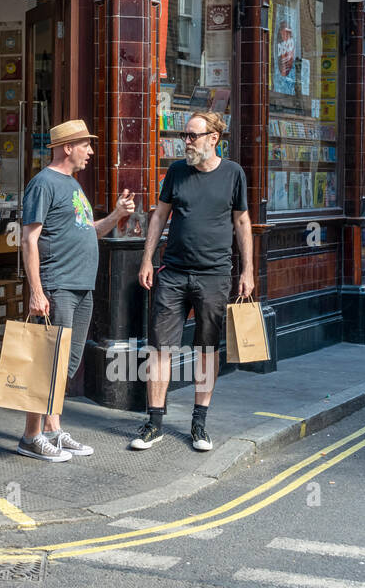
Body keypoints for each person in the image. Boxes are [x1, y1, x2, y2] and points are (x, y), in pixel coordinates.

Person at [133, 111, 253, 453]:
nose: (186, 141)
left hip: (215, 274)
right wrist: (147, 259)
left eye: (192, 136)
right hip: (172, 273)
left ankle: (199, 423)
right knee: (159, 347)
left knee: (206, 349)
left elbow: (243, 223)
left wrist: (247, 271)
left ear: (213, 139)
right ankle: (154, 423)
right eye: (185, 135)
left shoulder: (233, 174)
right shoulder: (176, 172)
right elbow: (159, 216)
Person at [18, 119, 136, 463]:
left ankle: (53, 430)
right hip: (59, 285)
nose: (91, 151)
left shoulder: (72, 185)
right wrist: (37, 291)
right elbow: (29, 239)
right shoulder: (43, 184)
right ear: (67, 147)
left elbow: (90, 231)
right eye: (85, 145)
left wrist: (115, 215)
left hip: (81, 286)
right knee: (47, 362)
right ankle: (30, 436)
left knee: (66, 364)